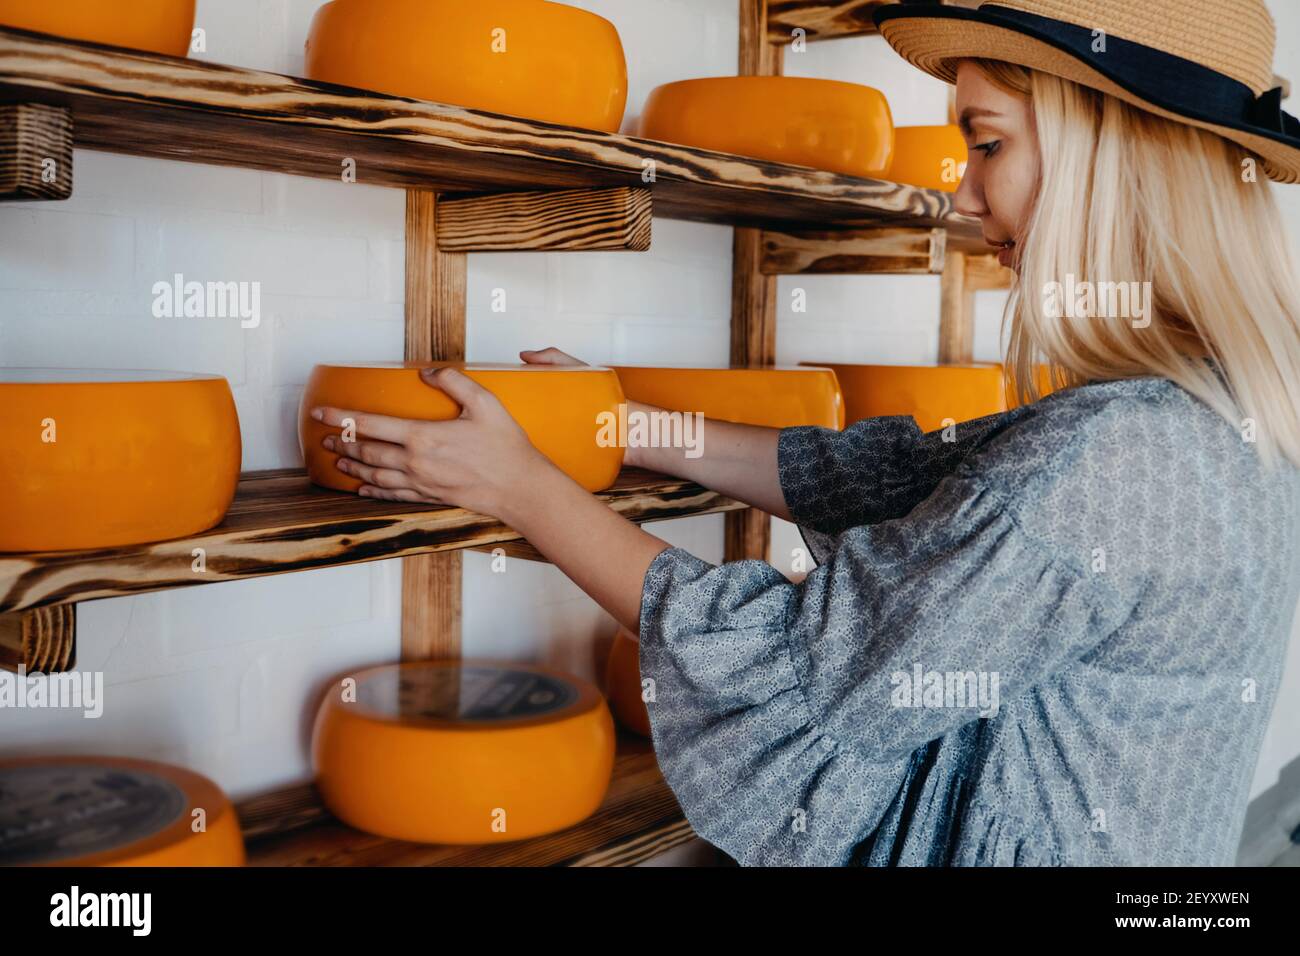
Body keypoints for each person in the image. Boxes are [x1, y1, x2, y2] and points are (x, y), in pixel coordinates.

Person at [309, 0, 1300, 865]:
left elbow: (794, 671)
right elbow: (914, 486)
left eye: (988, 144)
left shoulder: (1112, 455)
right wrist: (623, 425)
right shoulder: (1215, 415)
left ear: (1110, 158)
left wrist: (521, 488)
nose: (961, 194)